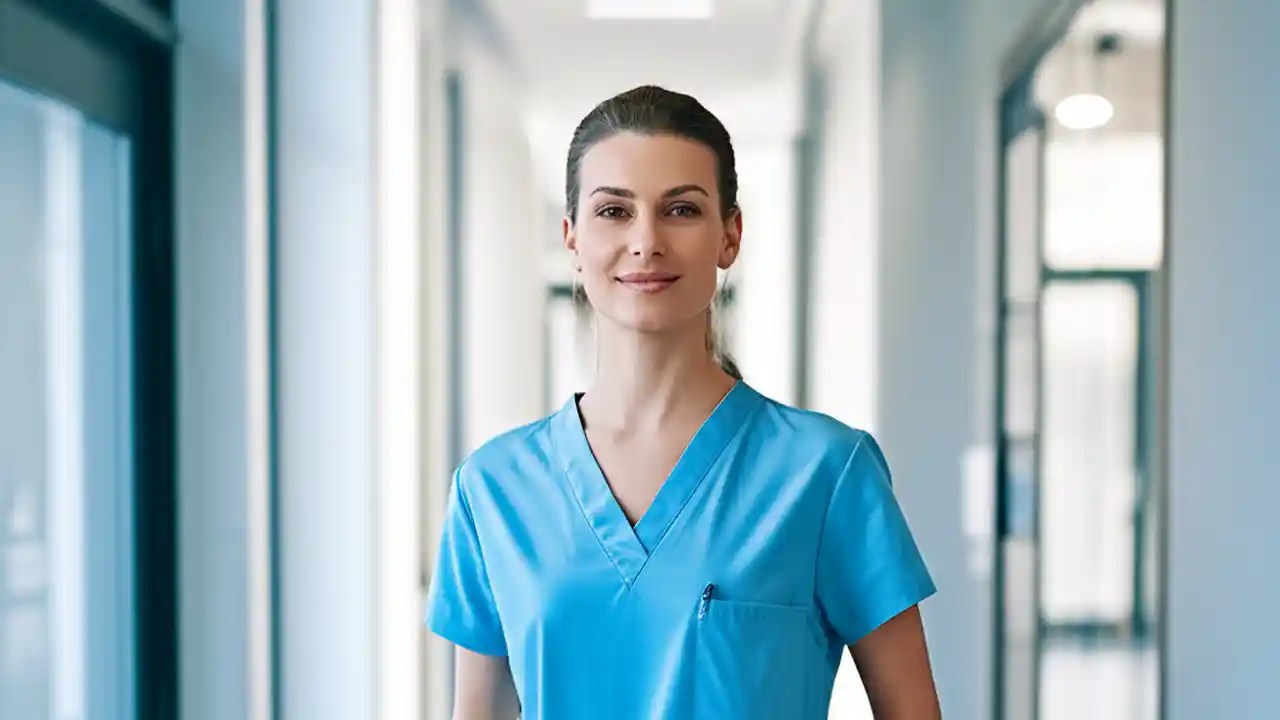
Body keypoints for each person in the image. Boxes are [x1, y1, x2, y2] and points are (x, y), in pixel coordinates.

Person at [426, 85, 941, 719]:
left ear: (730, 235)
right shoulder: (494, 488)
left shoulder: (827, 473)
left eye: (681, 210)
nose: (646, 241)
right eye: (614, 211)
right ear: (571, 238)